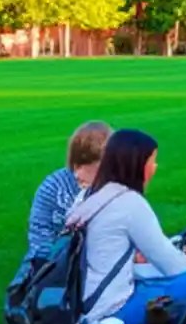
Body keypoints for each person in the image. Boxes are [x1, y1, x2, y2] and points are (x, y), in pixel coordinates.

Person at [66, 129, 186, 324]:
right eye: (152, 161)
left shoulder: (88, 195)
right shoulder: (130, 203)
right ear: (137, 165)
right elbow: (174, 267)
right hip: (107, 310)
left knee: (153, 278)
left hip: (78, 304)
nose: (155, 167)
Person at [11, 120, 111, 285]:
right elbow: (39, 235)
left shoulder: (118, 190)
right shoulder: (53, 187)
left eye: (88, 165)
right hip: (54, 259)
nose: (79, 173)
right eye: (77, 165)